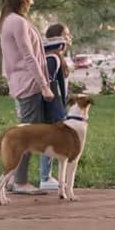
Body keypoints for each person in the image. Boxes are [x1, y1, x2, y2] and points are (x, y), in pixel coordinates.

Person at [0, 0, 55, 195]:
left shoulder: (10, 20)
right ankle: (20, 182)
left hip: (23, 83)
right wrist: (45, 86)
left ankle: (15, 180)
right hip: (29, 85)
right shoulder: (17, 22)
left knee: (28, 134)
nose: (32, 1)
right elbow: (29, 57)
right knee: (28, 137)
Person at [39, 23, 73, 191]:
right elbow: (50, 84)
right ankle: (45, 177)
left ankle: (47, 176)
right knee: (51, 141)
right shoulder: (52, 58)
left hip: (58, 104)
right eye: (66, 34)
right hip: (53, 106)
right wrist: (57, 109)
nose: (69, 37)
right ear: (58, 38)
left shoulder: (57, 58)